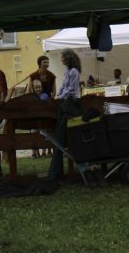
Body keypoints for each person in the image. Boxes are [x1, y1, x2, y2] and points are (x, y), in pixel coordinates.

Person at [47, 49, 82, 181]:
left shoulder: (74, 72)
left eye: (62, 57)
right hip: (64, 99)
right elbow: (63, 85)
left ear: (68, 58)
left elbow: (71, 90)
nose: (61, 59)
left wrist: (61, 96)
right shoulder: (67, 71)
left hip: (71, 101)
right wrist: (58, 95)